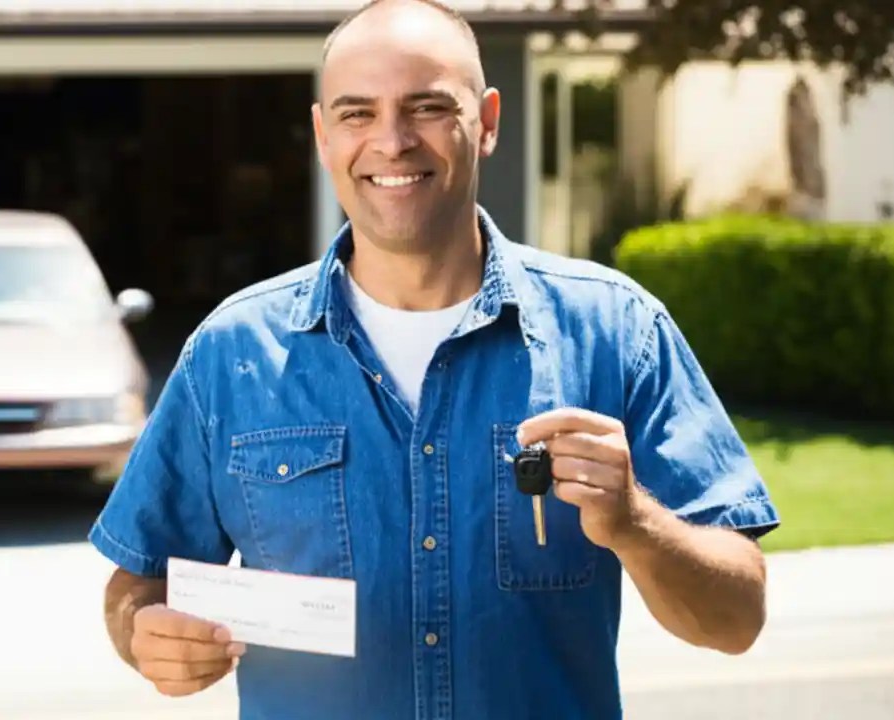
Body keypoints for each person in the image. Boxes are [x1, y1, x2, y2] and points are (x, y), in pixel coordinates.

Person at [88, 1, 781, 717]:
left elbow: (736, 619)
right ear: (324, 135)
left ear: (486, 121)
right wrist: (144, 636)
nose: (391, 142)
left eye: (426, 107)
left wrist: (636, 520)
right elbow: (136, 584)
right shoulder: (230, 354)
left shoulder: (615, 330)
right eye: (358, 113)